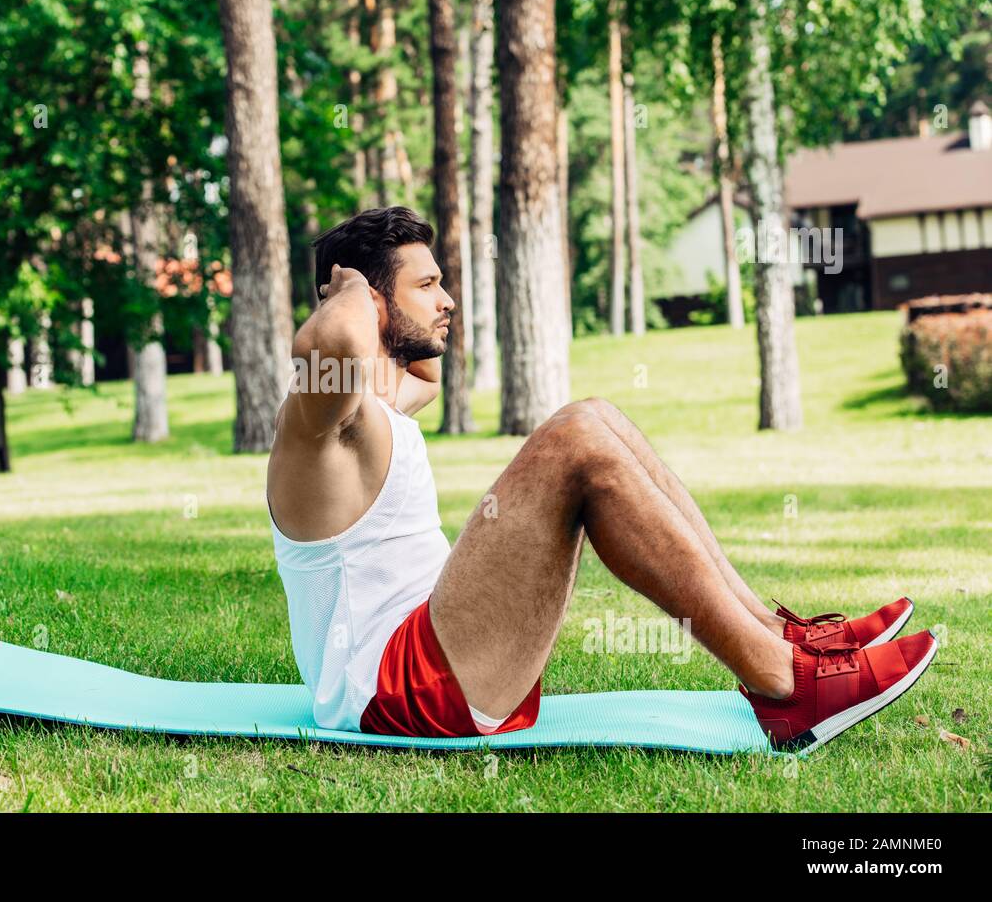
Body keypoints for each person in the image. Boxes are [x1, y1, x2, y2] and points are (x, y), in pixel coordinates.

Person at [264, 206, 935, 753]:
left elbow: (420, 369)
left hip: (445, 660)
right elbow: (335, 346)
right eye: (427, 285)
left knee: (596, 416)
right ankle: (788, 687)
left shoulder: (384, 402)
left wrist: (381, 298)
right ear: (371, 299)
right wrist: (349, 285)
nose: (447, 301)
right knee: (576, 442)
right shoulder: (320, 422)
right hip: (396, 691)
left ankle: (781, 636)